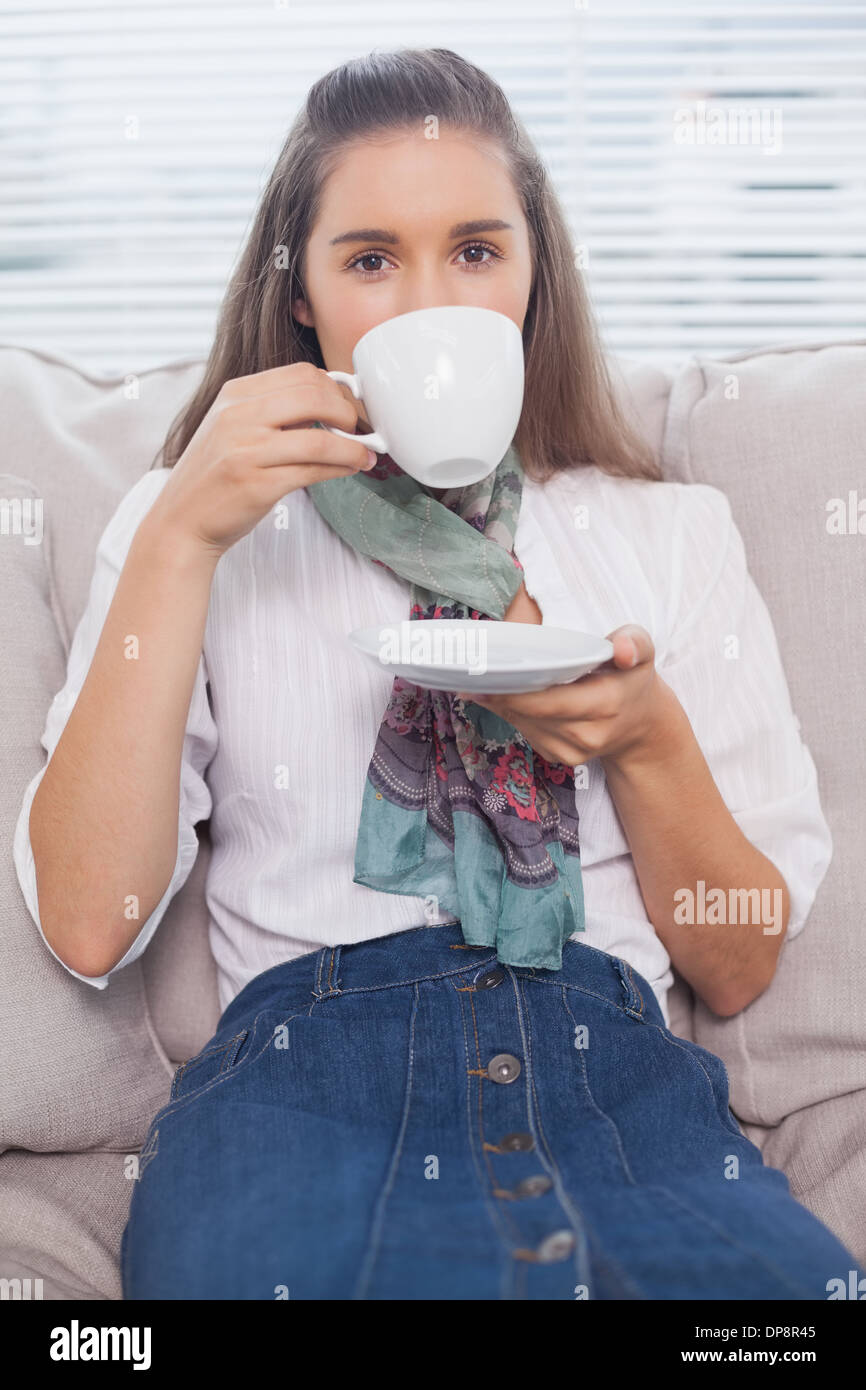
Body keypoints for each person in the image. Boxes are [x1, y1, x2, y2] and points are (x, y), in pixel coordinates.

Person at [14, 47, 862, 1300]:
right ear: (297, 296)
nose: (428, 308)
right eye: (368, 259)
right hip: (300, 1086)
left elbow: (733, 968)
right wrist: (179, 531)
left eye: (475, 251)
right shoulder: (193, 527)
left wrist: (643, 739)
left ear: (531, 280)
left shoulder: (664, 532)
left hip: (616, 1077)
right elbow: (91, 924)